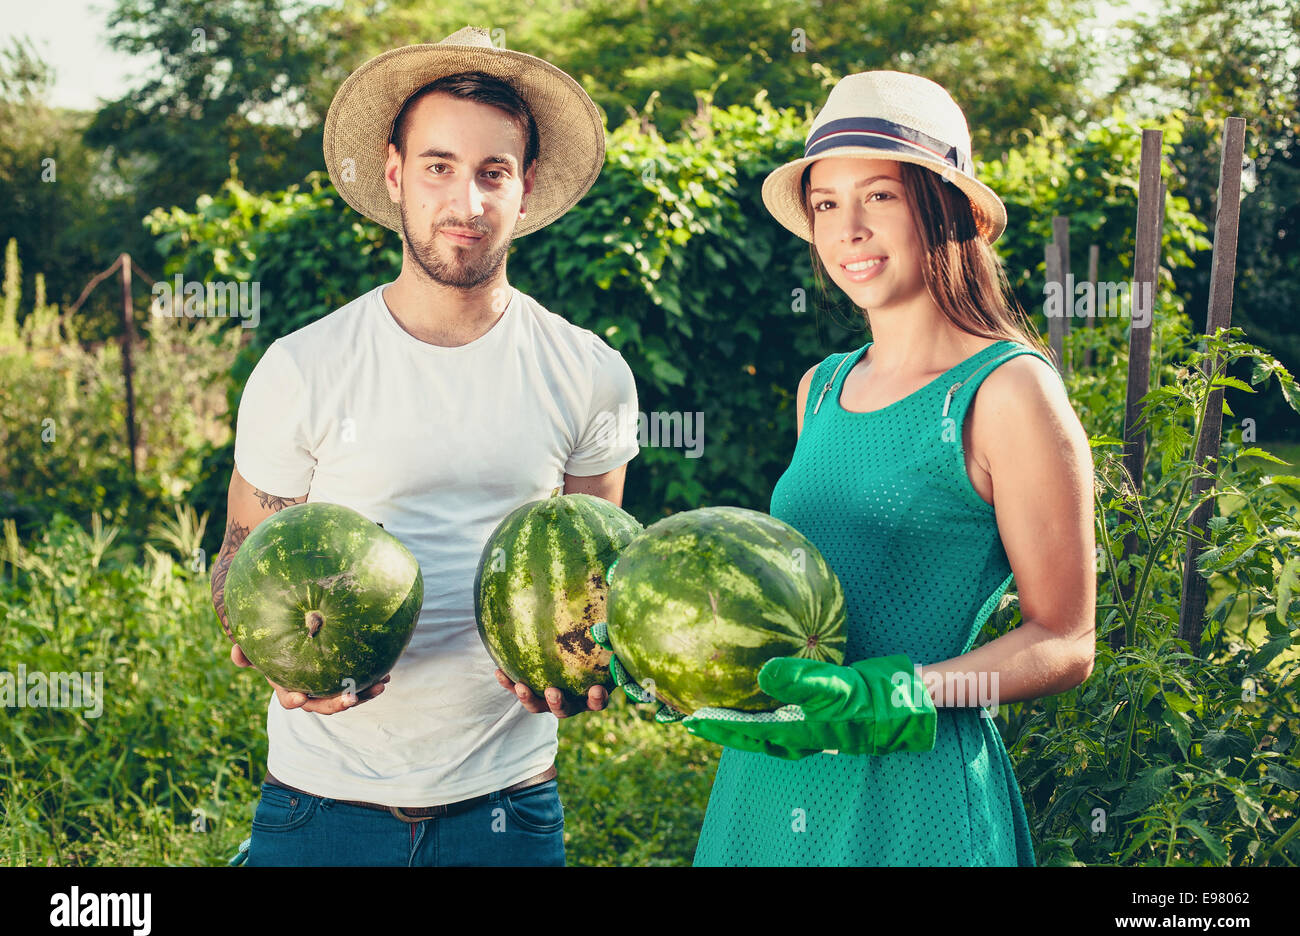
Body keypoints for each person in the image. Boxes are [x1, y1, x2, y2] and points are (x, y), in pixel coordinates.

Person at [211, 27, 638, 867]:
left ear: (526, 187)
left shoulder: (591, 373)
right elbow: (238, 554)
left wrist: (587, 671)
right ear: (397, 174)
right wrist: (268, 646)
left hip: (509, 807)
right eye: (439, 166)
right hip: (317, 806)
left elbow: (594, 580)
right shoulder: (303, 367)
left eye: (494, 172)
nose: (467, 201)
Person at [681, 71, 1097, 865]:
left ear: (947, 209)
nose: (849, 230)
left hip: (914, 799)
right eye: (827, 205)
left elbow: (1065, 642)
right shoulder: (822, 387)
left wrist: (902, 693)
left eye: (880, 196)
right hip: (771, 781)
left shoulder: (1007, 390)